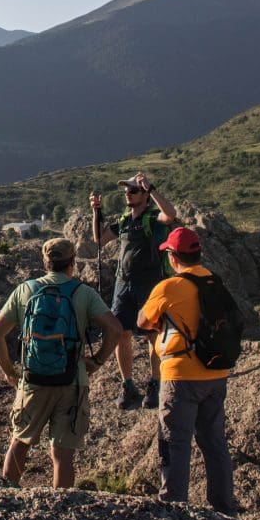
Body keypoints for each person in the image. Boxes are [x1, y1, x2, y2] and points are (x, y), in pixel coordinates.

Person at [0, 237, 122, 488]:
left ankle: (7, 496)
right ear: (73, 262)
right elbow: (115, 329)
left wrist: (10, 372)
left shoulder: (25, 290)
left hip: (33, 379)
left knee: (20, 442)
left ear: (45, 262)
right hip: (72, 380)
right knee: (63, 454)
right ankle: (62, 505)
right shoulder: (84, 293)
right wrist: (97, 361)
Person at [136, 225, 237, 515]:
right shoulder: (214, 281)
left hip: (180, 375)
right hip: (215, 372)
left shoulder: (169, 287)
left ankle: (174, 508)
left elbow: (142, 321)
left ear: (172, 257)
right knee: (214, 443)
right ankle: (224, 509)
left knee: (174, 443)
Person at [90, 171, 180, 410]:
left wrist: (152, 189)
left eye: (133, 190)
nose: (128, 194)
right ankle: (128, 385)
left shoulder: (153, 217)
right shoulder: (124, 221)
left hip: (149, 284)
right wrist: (96, 211)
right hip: (124, 283)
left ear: (144, 195)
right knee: (121, 333)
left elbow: (170, 214)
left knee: (152, 333)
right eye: (126, 191)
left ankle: (155, 383)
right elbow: (99, 239)